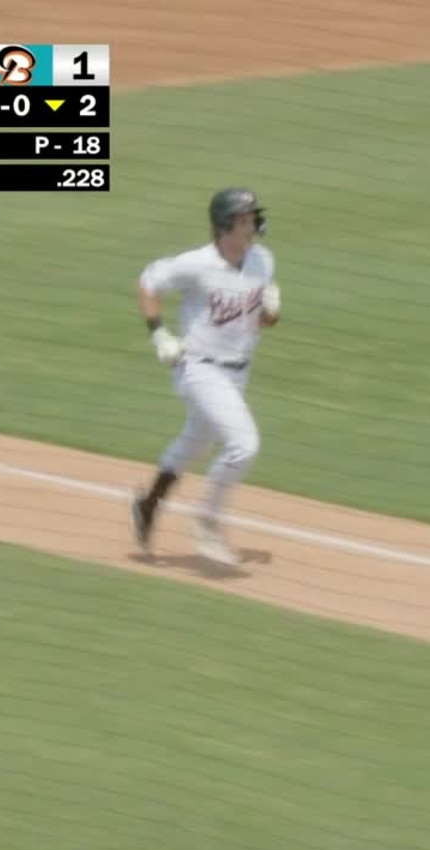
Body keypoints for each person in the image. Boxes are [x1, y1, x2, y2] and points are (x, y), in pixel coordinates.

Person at [130, 186, 281, 566]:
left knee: (195, 442)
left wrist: (270, 312)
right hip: (200, 368)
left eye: (252, 218)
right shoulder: (195, 264)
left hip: (239, 371)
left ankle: (148, 503)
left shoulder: (262, 260)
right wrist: (160, 334)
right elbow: (148, 282)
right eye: (245, 220)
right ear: (226, 225)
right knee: (244, 445)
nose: (253, 225)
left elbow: (260, 320)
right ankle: (208, 520)